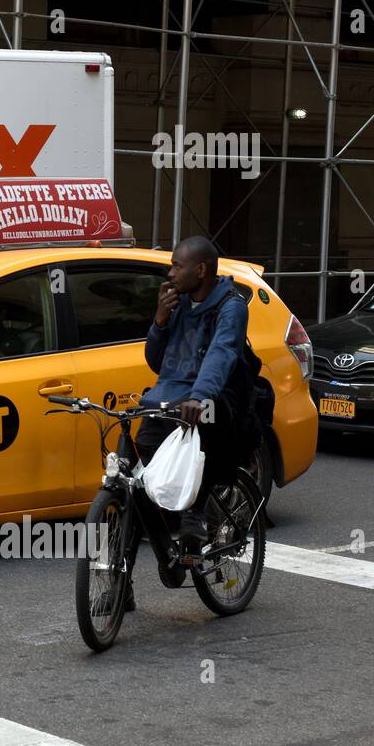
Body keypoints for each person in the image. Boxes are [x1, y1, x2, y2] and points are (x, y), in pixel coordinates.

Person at [137, 235, 249, 549]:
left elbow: (221, 354)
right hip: (169, 396)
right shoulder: (178, 303)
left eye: (176, 266)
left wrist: (199, 398)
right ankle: (122, 590)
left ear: (200, 270)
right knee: (144, 448)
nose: (170, 274)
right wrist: (159, 320)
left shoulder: (231, 307)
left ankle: (196, 512)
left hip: (212, 398)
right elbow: (157, 362)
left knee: (203, 433)